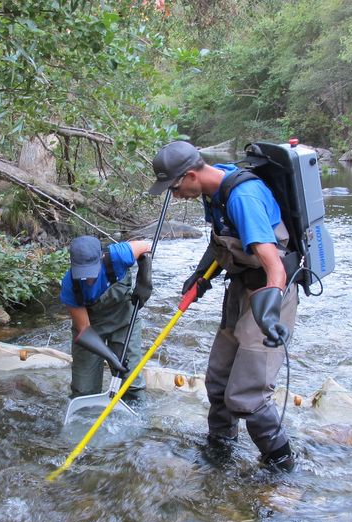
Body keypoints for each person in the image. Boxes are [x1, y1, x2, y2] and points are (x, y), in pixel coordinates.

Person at [146, 141, 297, 472]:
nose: (174, 195)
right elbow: (223, 238)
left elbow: (276, 268)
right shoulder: (215, 190)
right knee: (218, 381)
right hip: (240, 287)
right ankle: (220, 450)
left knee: (247, 396)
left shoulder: (243, 198)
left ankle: (282, 465)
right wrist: (201, 274)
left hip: (268, 297)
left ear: (190, 175)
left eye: (174, 187)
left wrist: (269, 317)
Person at [59, 235, 153, 400]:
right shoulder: (69, 286)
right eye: (82, 272)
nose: (88, 279)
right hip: (91, 328)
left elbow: (145, 247)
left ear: (102, 257)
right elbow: (84, 329)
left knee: (130, 381)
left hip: (124, 319)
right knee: (83, 390)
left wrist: (144, 282)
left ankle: (137, 418)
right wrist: (111, 357)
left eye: (91, 271)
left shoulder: (118, 255)